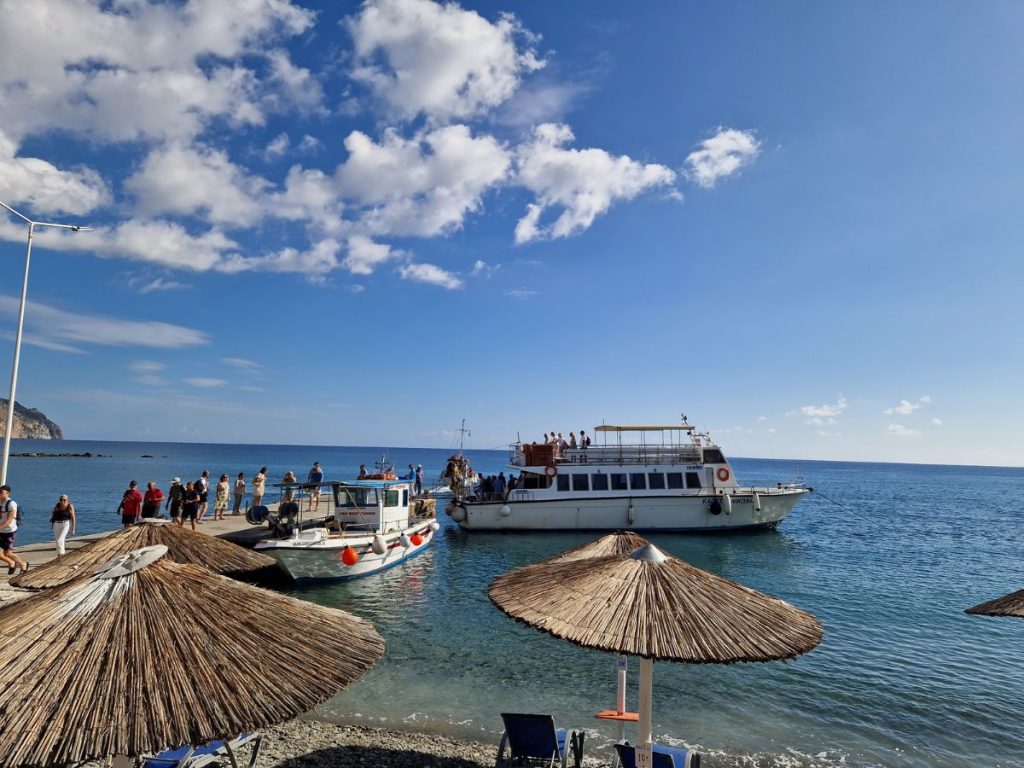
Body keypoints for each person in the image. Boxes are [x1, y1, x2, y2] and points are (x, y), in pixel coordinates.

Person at [0, 485, 27, 574]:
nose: (0, 494)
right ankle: (11, 563)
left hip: (9, 532)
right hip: (1, 531)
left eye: (1, 492)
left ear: (7, 493)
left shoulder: (11, 504)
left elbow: (9, 520)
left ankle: (23, 564)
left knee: (8, 553)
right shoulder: (0, 503)